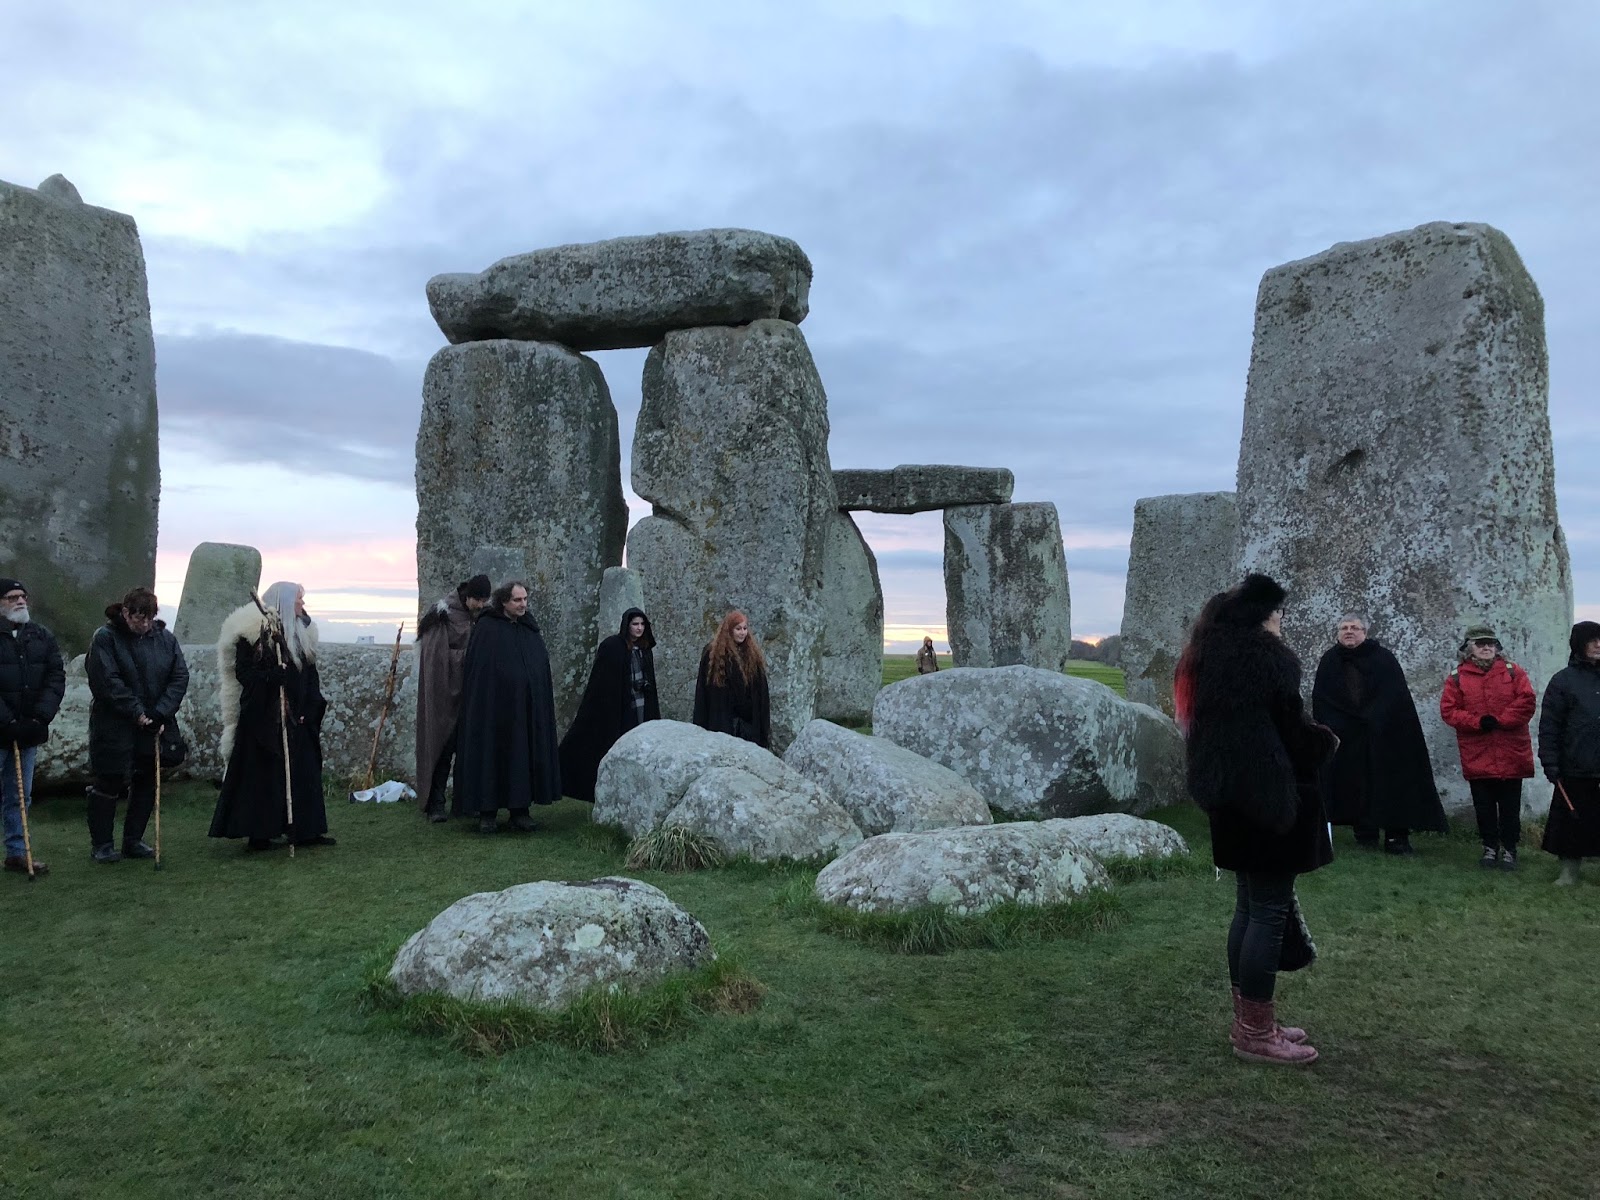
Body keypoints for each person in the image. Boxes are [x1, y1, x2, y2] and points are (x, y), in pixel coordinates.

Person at [1177, 574, 1336, 1067]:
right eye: (1278, 614)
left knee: (1249, 907)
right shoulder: (1269, 659)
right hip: (1269, 799)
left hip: (1228, 800)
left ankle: (1250, 1020)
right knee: (1267, 909)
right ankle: (1255, 1033)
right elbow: (1292, 731)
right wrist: (1327, 743)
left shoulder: (1202, 659)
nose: (1281, 620)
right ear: (1262, 617)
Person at [208, 582, 335, 851]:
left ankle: (305, 829)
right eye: (300, 599)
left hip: (298, 717)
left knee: (304, 771)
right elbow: (243, 674)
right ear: (286, 603)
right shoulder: (253, 635)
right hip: (264, 719)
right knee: (263, 775)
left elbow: (310, 677)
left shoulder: (303, 634)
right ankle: (260, 832)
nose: (303, 604)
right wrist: (270, 676)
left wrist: (310, 710)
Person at [1312, 614, 1447, 855]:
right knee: (1353, 783)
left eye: (1355, 627)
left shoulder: (1383, 659)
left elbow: (1395, 696)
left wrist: (1375, 718)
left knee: (1391, 783)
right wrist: (1339, 724)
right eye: (1344, 628)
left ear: (1365, 632)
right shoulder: (1330, 661)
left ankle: (1397, 836)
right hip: (1348, 736)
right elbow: (1323, 699)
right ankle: (1364, 832)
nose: (1349, 631)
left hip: (1386, 735)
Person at [84, 587, 190, 863]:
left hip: (155, 720)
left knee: (146, 779)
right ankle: (102, 844)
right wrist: (137, 712)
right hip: (114, 722)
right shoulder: (105, 638)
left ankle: (134, 840)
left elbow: (179, 676)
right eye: (138, 618)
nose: (143, 624)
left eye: (149, 618)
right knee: (109, 780)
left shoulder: (165, 639)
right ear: (126, 612)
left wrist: (160, 713)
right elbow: (107, 681)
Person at [453, 581, 561, 833]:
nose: (523, 604)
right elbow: (481, 673)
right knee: (491, 754)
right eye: (517, 600)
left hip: (523, 711)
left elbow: (538, 665)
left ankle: (519, 811)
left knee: (521, 756)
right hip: (493, 711)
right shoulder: (487, 628)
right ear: (504, 601)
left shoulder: (529, 628)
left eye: (525, 599)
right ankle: (487, 813)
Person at [1439, 624, 1536, 871]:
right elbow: (1449, 711)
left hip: (1510, 750)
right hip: (1477, 751)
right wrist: (1477, 722)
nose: (1486, 648)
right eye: (1480, 643)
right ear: (1468, 648)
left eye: (1490, 644)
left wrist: (1501, 720)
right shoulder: (1457, 677)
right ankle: (1490, 847)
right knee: (1483, 805)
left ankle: (1510, 849)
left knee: (1509, 805)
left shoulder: (1514, 672)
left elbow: (1526, 702)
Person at [558, 607, 660, 803]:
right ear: (627, 625)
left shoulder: (644, 650)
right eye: (635, 624)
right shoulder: (613, 647)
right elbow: (604, 684)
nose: (638, 628)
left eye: (642, 624)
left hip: (641, 705)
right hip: (619, 709)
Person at [0, 578, 65, 877]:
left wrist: (40, 717)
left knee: (20, 794)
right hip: (5, 727)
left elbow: (55, 676)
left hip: (28, 730)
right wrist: (8, 720)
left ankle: (18, 853)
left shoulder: (40, 636)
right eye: (12, 597)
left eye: (22, 596)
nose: (20, 602)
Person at [415, 574, 490, 823]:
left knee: (469, 752)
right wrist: (473, 657)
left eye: (484, 600)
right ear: (466, 596)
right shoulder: (442, 615)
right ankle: (436, 804)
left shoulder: (481, 617)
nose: (480, 605)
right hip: (445, 696)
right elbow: (435, 657)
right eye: (477, 600)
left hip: (472, 697)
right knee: (442, 749)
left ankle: (465, 803)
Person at [1537, 620, 1600, 886]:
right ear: (1579, 645)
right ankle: (1569, 873)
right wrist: (1550, 763)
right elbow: (1550, 725)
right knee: (1570, 824)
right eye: (1592, 640)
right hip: (1575, 764)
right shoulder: (1563, 681)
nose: (1598, 645)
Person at [692, 610, 771, 748]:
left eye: (745, 628)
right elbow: (703, 693)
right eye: (738, 629)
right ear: (730, 630)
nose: (742, 633)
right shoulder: (713, 654)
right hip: (722, 721)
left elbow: (762, 694)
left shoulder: (752, 655)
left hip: (748, 726)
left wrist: (763, 731)